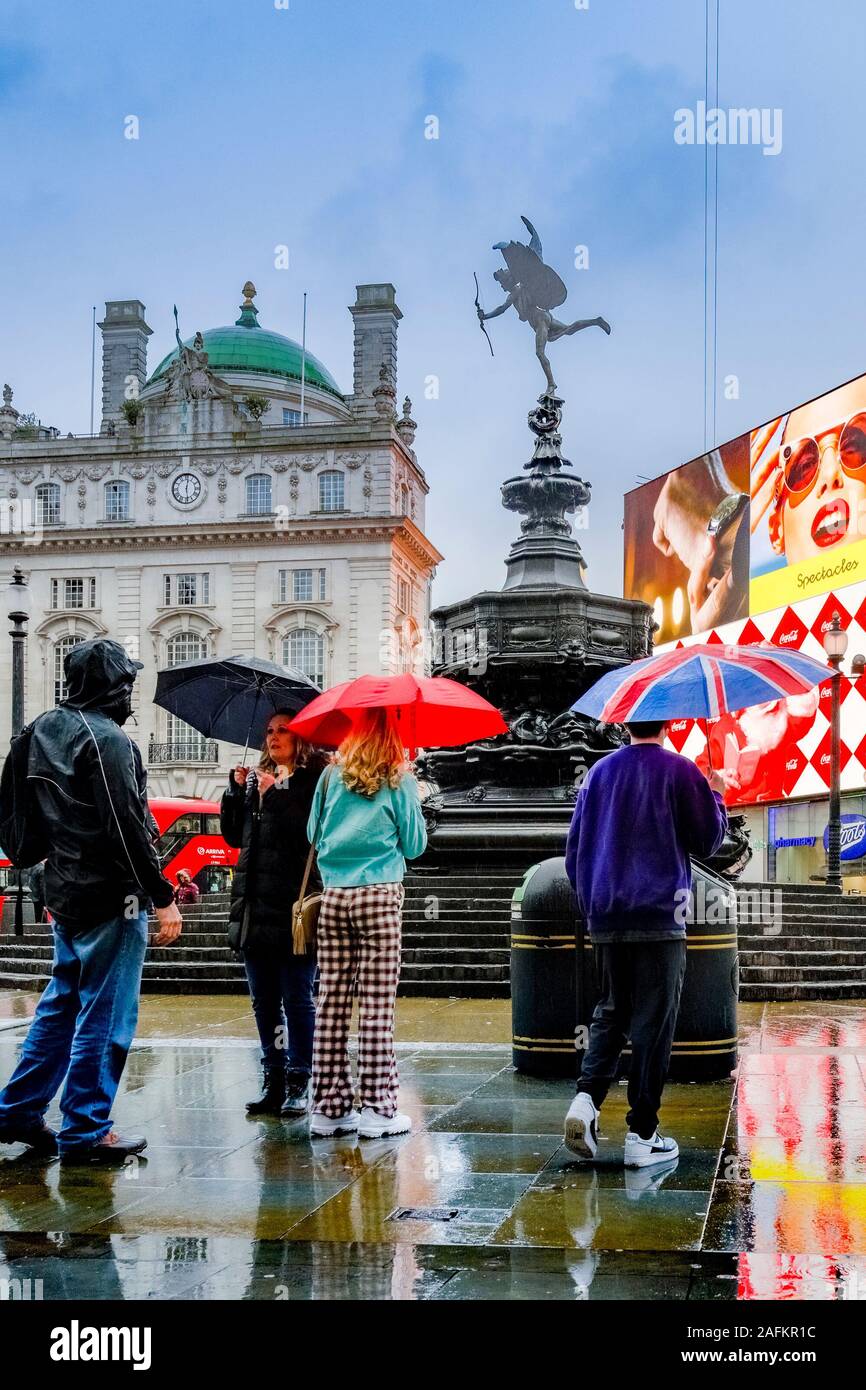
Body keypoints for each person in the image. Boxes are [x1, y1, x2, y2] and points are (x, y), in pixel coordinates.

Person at [0, 638, 182, 1163]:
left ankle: (18, 1110)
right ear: (114, 686)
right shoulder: (107, 741)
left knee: (59, 1008)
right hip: (111, 896)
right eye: (128, 683)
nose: (132, 694)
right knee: (106, 1015)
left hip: (63, 889)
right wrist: (161, 895)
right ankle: (85, 1127)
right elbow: (125, 830)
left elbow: (15, 822)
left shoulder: (38, 730)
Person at [563, 720, 727, 1168]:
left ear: (624, 724)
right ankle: (642, 1134)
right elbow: (708, 842)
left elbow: (574, 848)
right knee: (655, 1021)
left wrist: (592, 902)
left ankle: (586, 1101)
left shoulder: (598, 774)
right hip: (659, 913)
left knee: (612, 1011)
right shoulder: (680, 770)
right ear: (669, 724)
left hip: (607, 911)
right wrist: (715, 794)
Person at [307, 708, 427, 1140]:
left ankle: (329, 1108)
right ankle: (378, 1108)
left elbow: (311, 835)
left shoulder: (328, 778)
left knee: (331, 1005)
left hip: (335, 896)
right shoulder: (399, 778)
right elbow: (414, 846)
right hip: (379, 897)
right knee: (376, 1007)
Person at [221, 712, 324, 1118]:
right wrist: (234, 792)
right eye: (269, 730)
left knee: (297, 998)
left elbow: (310, 836)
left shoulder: (314, 781)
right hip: (252, 906)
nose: (273, 737)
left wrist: (277, 795)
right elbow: (233, 836)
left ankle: (301, 1077)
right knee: (263, 1001)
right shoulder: (254, 782)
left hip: (292, 910)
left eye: (283, 730)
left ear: (301, 739)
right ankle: (274, 1077)